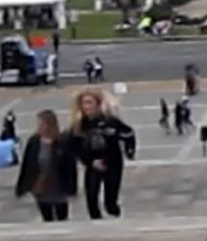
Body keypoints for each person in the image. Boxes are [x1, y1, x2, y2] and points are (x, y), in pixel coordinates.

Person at [69, 87, 136, 219]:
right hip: (93, 163)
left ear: (98, 104)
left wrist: (129, 150)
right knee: (91, 198)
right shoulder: (79, 125)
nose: (86, 107)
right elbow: (74, 147)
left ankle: (115, 218)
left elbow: (128, 133)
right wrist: (89, 161)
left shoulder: (110, 121)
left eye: (89, 102)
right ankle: (97, 224)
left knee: (110, 202)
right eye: (84, 103)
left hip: (112, 163)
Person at [16, 110, 77, 223]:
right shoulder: (34, 141)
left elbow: (70, 165)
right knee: (47, 218)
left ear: (49, 125)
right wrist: (23, 185)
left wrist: (71, 188)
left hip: (58, 186)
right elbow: (27, 164)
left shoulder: (62, 141)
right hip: (41, 186)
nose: (38, 127)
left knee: (62, 218)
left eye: (41, 124)